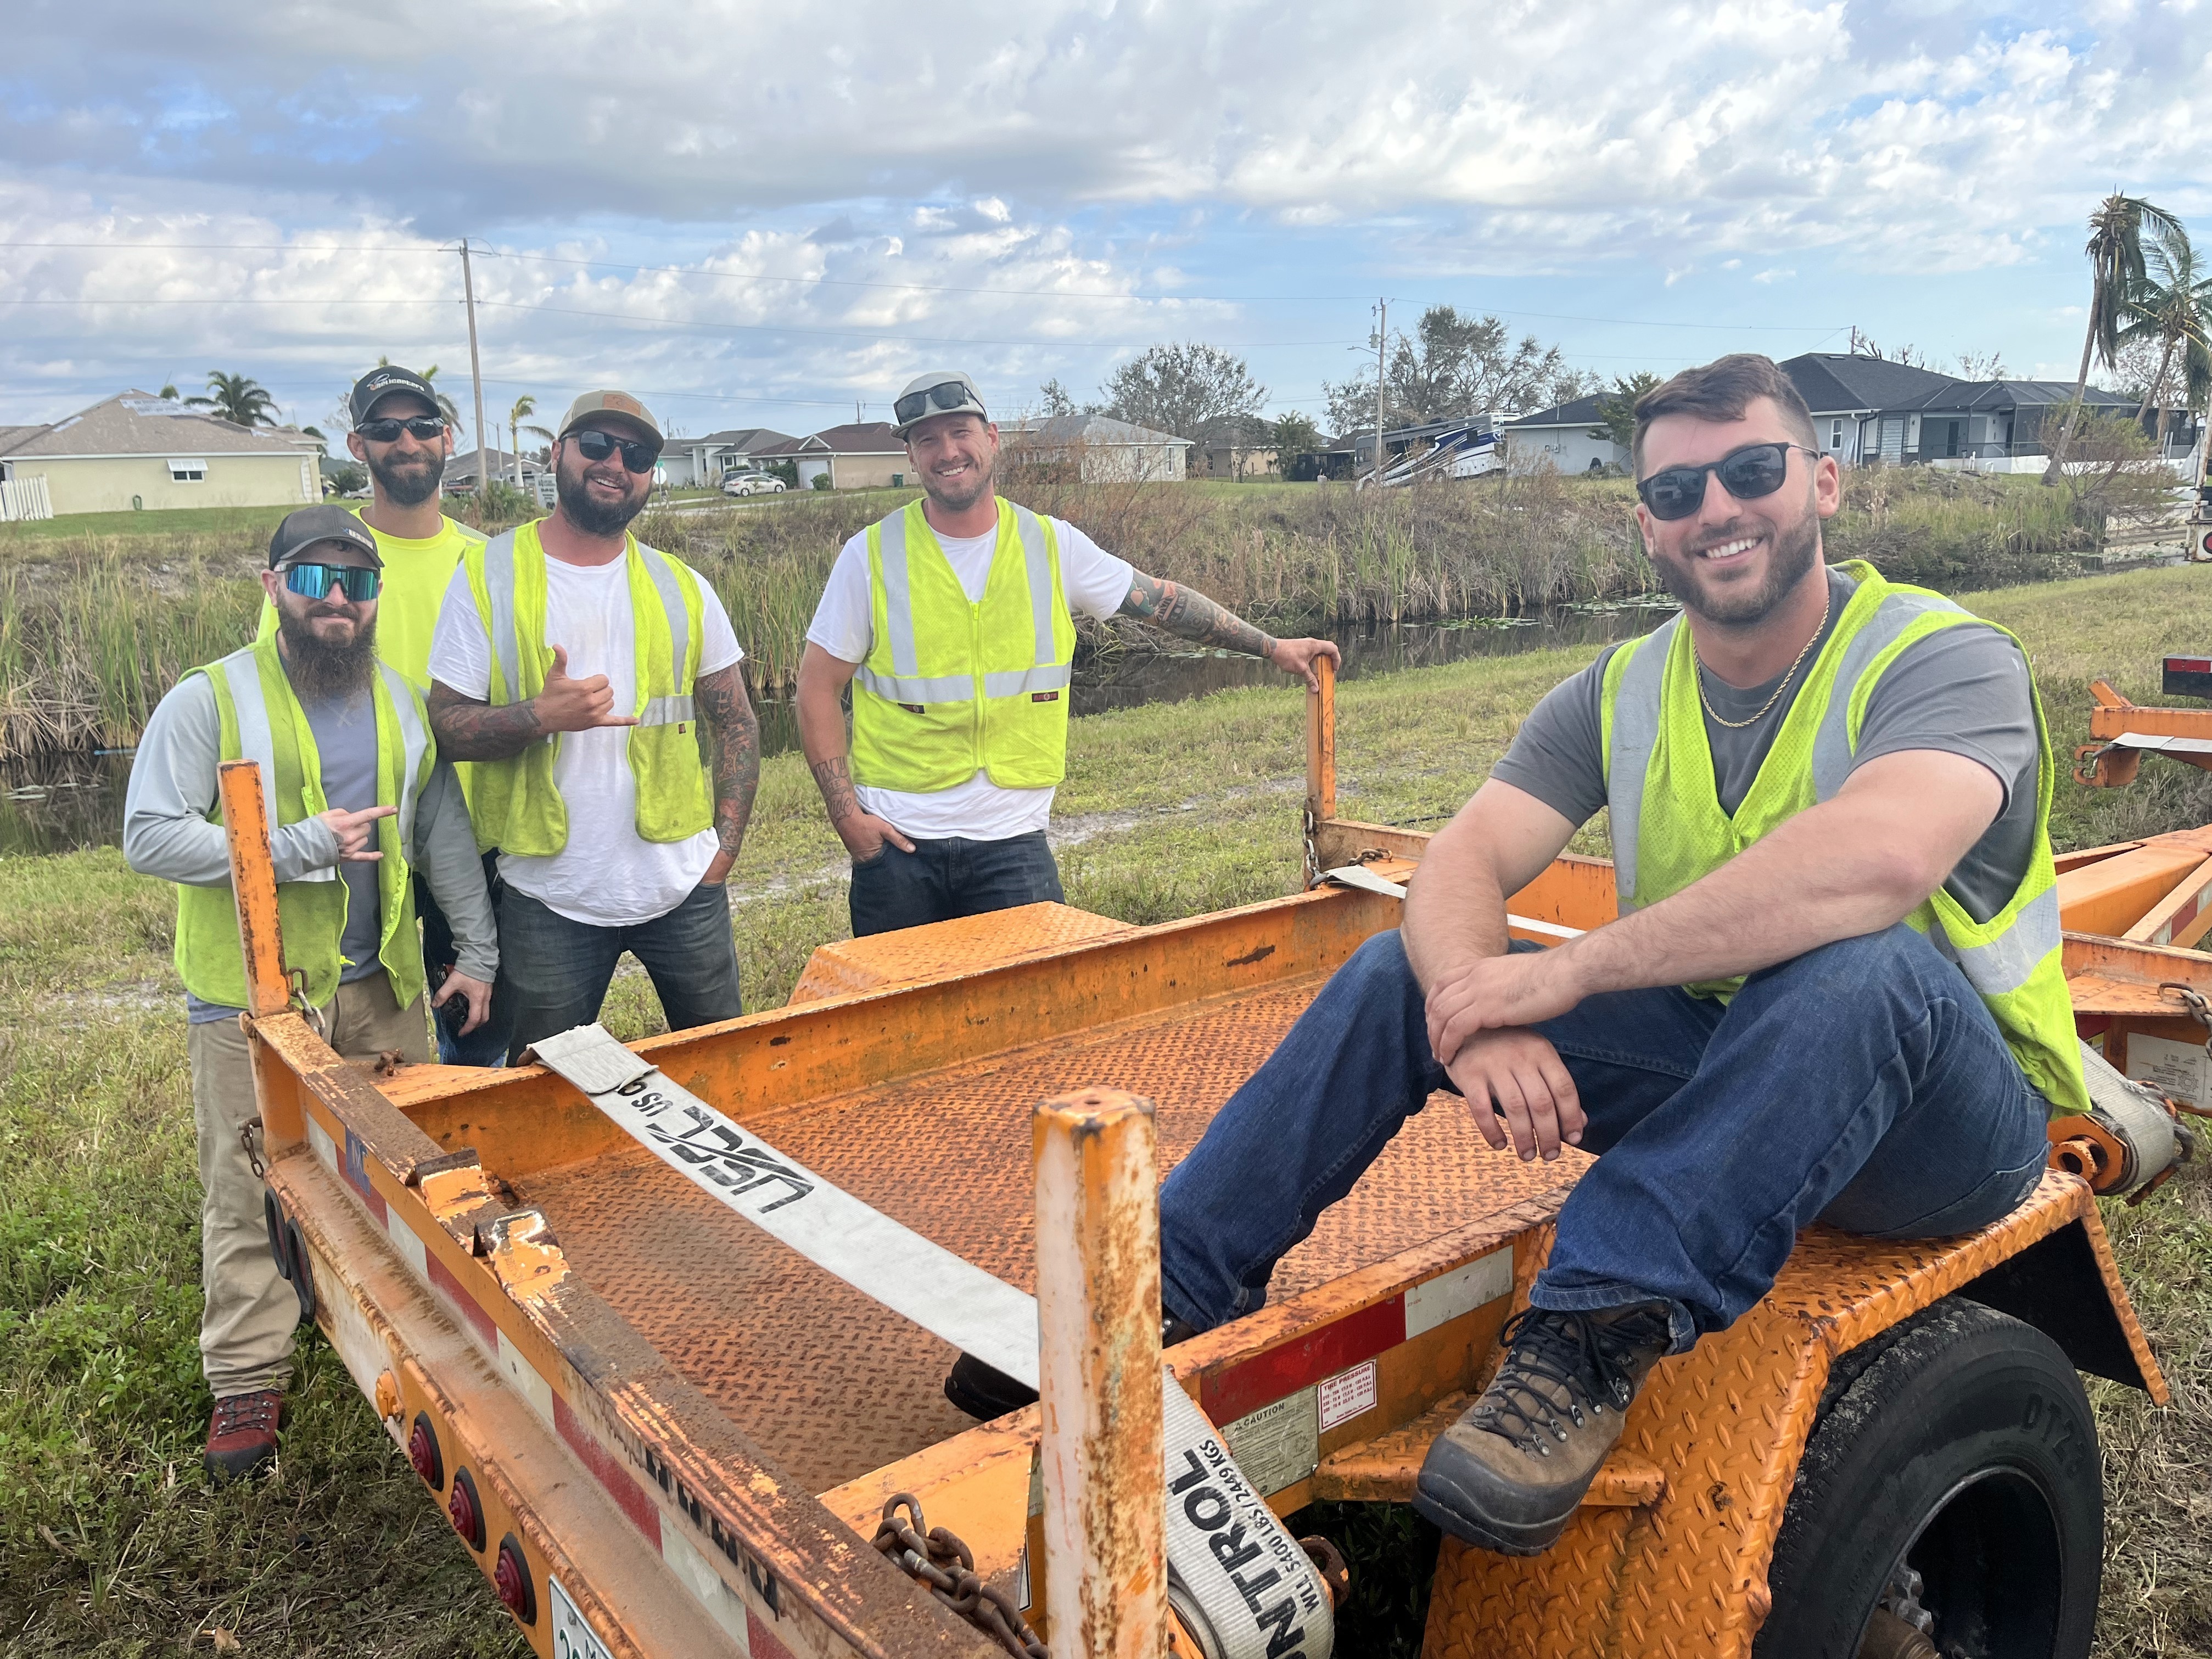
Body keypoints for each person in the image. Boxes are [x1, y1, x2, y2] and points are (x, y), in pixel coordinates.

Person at [948, 355, 2088, 1565]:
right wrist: (1470, 1007)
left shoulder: (1941, 655)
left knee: (1857, 969)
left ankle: (1584, 1341)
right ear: (1644, 521)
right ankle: (1165, 1289)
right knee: (1398, 973)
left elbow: (1876, 863)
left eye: (1751, 472)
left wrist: (1563, 974)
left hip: (1944, 1118)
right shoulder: (1627, 684)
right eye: (1678, 489)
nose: (1717, 509)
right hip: (1734, 1059)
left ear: (1824, 483)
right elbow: (1463, 859)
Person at [126, 505, 497, 1479]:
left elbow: (440, 831)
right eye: (316, 578)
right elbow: (149, 834)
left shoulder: (403, 700)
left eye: (359, 582)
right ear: (274, 586)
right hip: (255, 996)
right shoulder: (210, 697)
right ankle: (249, 1372)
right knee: (251, 1178)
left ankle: (414, 1345)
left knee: (398, 1176)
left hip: (380, 984)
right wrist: (292, 848)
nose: (339, 599)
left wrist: (480, 952)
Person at [796, 371, 1341, 937]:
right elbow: (816, 688)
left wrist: (1272, 646)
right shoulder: (870, 556)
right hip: (897, 851)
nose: (948, 451)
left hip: (1014, 847)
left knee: (1037, 1019)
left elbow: (1161, 602)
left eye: (960, 432)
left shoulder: (1051, 545)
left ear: (993, 438)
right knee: (899, 1023)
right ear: (910, 454)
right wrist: (847, 819)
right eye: (927, 440)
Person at [425, 391, 760, 1063]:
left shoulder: (681, 585)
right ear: (558, 453)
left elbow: (740, 726)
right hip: (548, 898)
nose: (616, 463)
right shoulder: (488, 574)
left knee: (728, 1073)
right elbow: (446, 727)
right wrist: (538, 717)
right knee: (541, 1092)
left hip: (682, 890)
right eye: (596, 446)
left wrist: (719, 859)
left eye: (636, 454)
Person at [259, 365, 505, 1066]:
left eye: (422, 425)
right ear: (357, 444)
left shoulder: (487, 562)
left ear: (447, 438)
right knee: (346, 1043)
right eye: (385, 428)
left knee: (476, 1032)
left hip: (475, 842)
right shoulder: (317, 564)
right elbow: (276, 704)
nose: (407, 441)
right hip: (359, 852)